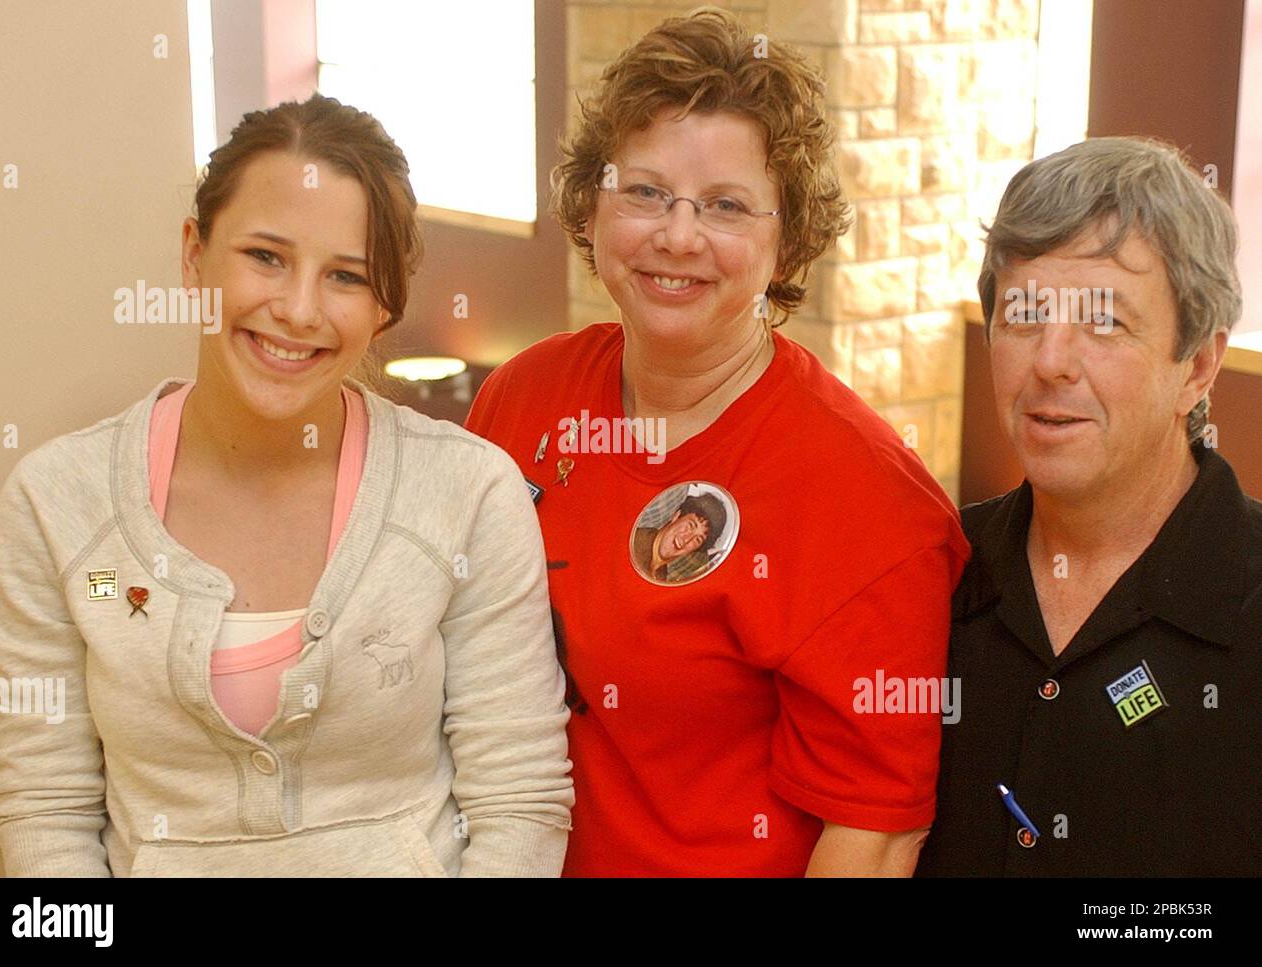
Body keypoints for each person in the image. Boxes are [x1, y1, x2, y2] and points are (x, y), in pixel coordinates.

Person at [0, 94, 573, 877]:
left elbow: (518, 798)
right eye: (264, 256)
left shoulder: (469, 493)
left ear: (384, 302)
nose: (296, 309)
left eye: (346, 276)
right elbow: (42, 807)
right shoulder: (57, 504)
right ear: (195, 254)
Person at [466, 8, 970, 876]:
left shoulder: (868, 499)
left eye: (727, 206)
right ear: (593, 205)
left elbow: (874, 837)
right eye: (646, 191)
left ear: (787, 241)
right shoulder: (526, 396)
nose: (678, 235)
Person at [915, 137, 1262, 876]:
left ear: (1197, 366)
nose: (1050, 360)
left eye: (1104, 322)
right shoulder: (925, 573)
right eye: (1025, 313)